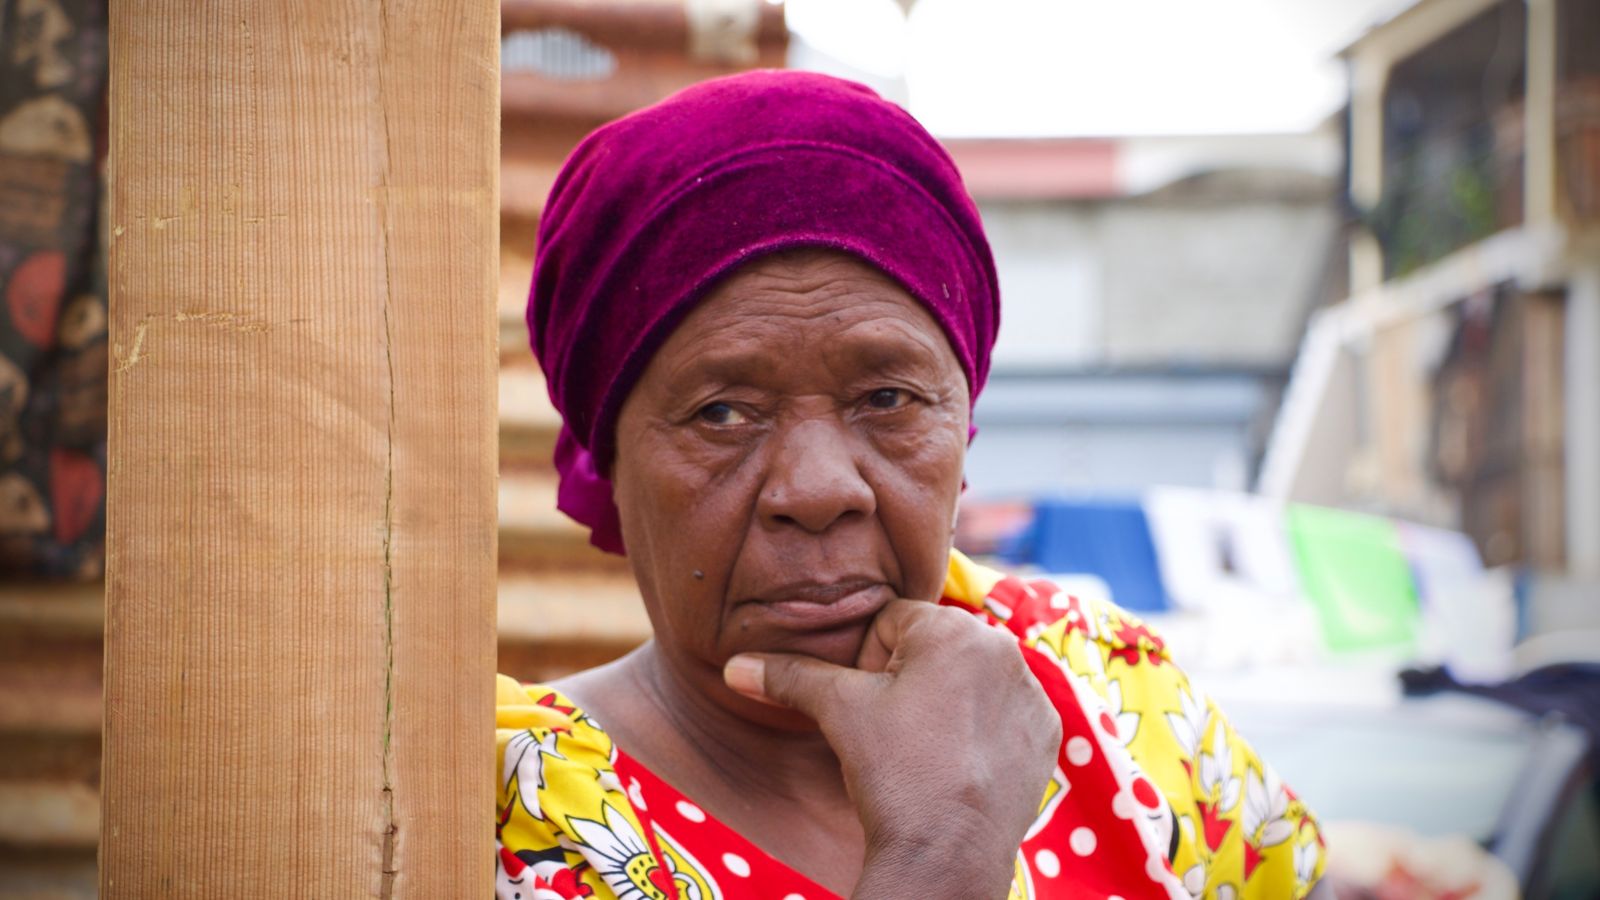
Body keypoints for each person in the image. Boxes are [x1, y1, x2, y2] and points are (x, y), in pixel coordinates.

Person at [496, 70, 1325, 900]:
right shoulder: (511, 821)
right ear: (610, 459)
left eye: (888, 399)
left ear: (963, 429)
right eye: (721, 413)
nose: (819, 490)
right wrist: (939, 853)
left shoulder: (1110, 690)